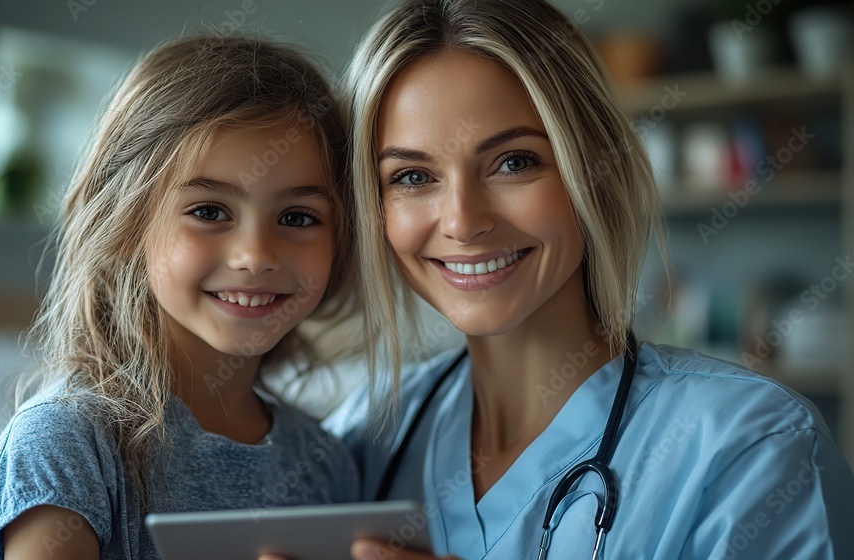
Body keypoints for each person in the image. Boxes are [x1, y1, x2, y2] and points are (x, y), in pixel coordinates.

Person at [319, 0, 854, 558]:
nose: (462, 221)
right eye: (411, 176)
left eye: (514, 162)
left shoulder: (754, 448)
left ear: (594, 169)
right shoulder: (359, 441)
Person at [0, 34, 360, 560]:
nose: (255, 255)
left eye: (297, 218)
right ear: (128, 224)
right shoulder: (67, 442)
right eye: (209, 211)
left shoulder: (325, 462)